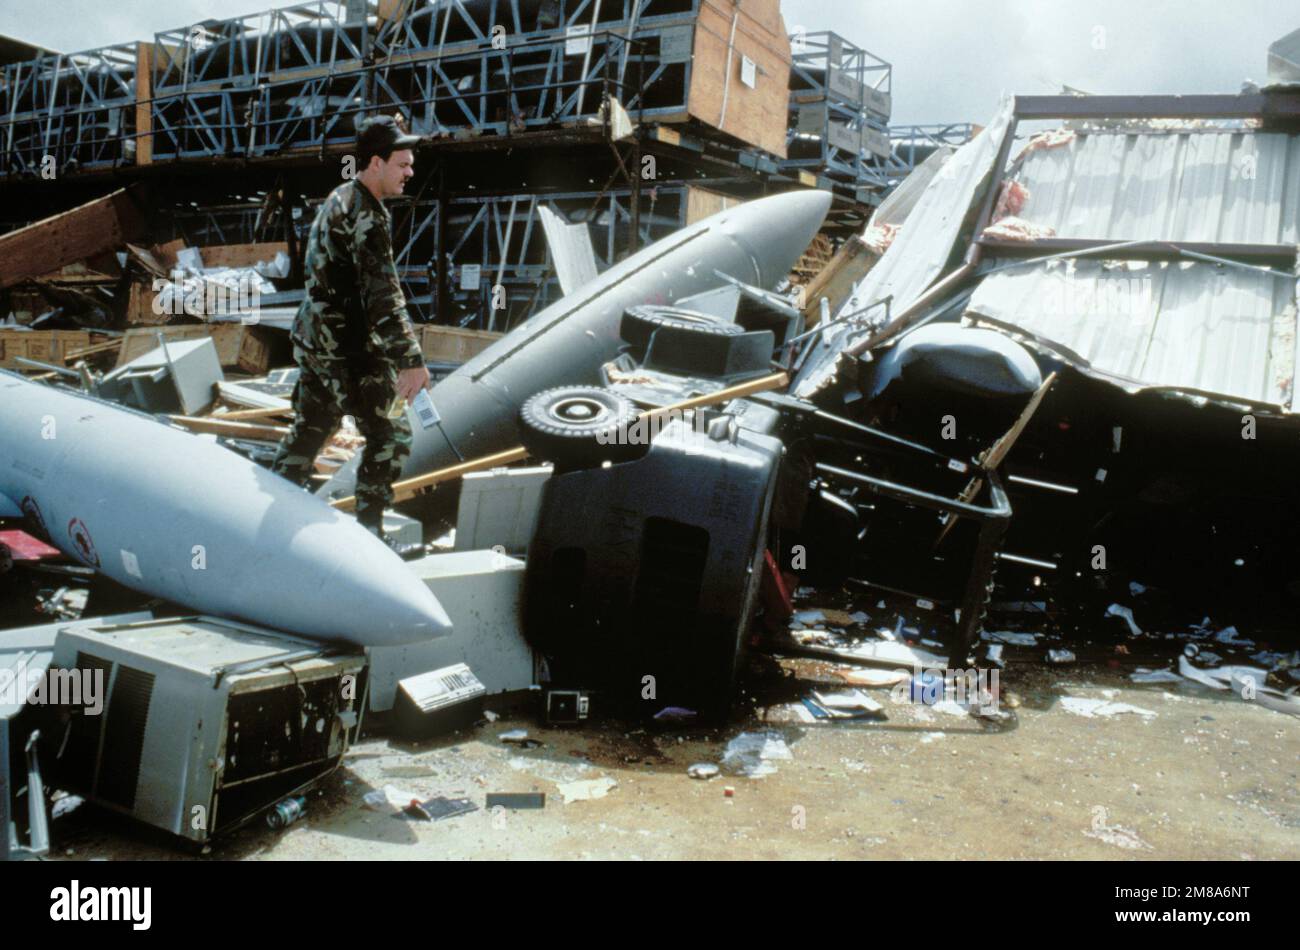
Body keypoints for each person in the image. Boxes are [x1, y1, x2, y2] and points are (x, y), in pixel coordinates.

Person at [271, 114, 429, 547]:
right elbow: (384, 296)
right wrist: (411, 361)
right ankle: (371, 535)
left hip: (316, 341)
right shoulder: (367, 218)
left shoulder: (339, 197)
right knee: (393, 434)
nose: (410, 172)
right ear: (375, 163)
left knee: (311, 426)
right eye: (402, 164)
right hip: (348, 350)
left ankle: (271, 521)